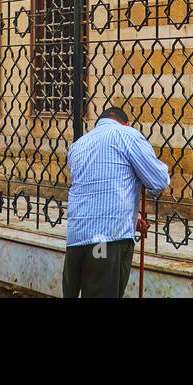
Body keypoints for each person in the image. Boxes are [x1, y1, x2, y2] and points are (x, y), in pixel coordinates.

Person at [63, 106, 170, 298]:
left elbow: (93, 191)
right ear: (126, 123)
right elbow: (158, 181)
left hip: (75, 242)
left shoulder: (78, 145)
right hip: (103, 243)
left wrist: (131, 220)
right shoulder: (127, 135)